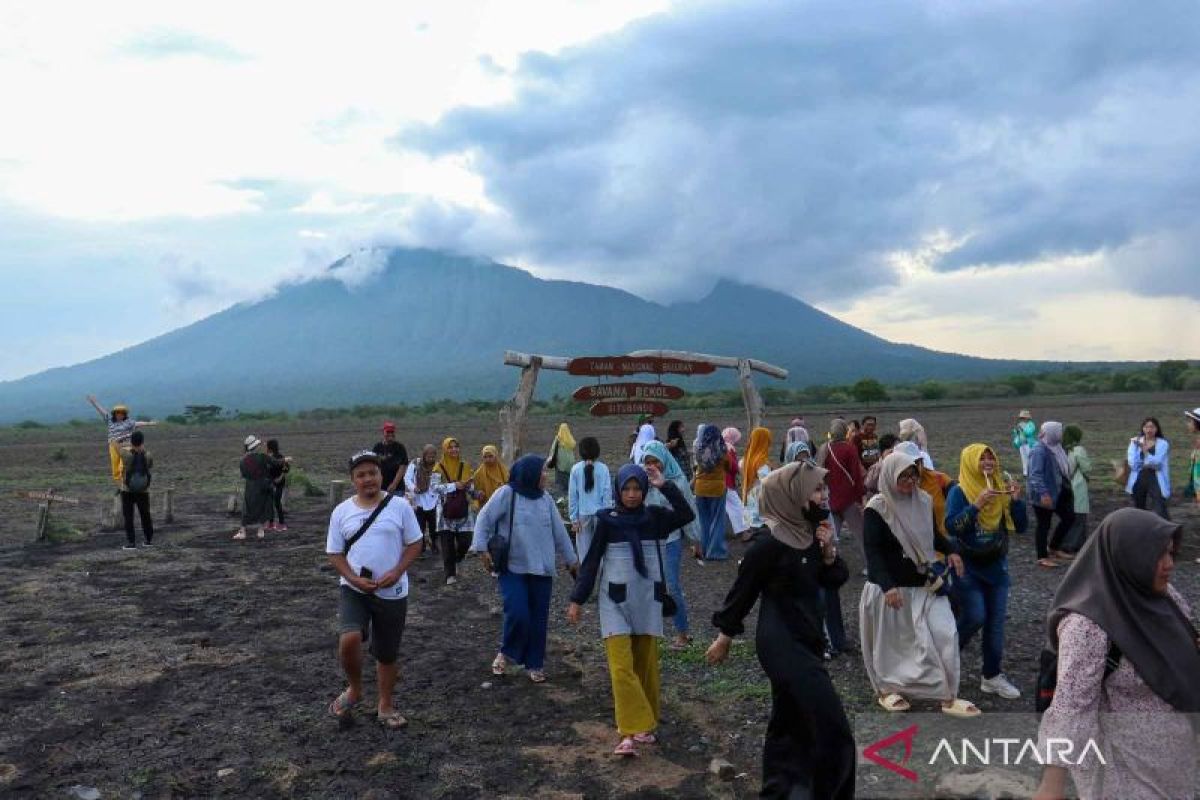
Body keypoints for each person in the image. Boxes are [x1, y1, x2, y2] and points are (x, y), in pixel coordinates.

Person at [708, 461, 854, 799]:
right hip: (781, 644)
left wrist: (830, 553)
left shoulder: (811, 533)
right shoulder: (769, 543)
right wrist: (724, 636)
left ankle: (781, 790)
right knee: (833, 726)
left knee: (788, 723)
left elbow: (834, 580)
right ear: (792, 494)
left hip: (808, 639)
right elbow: (742, 592)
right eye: (816, 489)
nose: (824, 495)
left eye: (823, 488)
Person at [1033, 509, 1200, 800]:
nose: (1169, 565)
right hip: (1124, 773)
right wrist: (1052, 785)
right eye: (1158, 556)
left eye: (1172, 554)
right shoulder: (1088, 623)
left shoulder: (1164, 596)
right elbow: (1071, 705)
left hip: (1174, 770)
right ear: (1128, 555)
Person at [567, 463, 695, 756]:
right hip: (613, 601)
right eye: (627, 489)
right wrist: (577, 599)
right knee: (621, 668)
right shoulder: (607, 522)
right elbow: (591, 563)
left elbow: (687, 515)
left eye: (638, 488)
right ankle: (627, 732)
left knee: (645, 666)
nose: (633, 494)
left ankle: (643, 728)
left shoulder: (656, 518)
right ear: (618, 490)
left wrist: (666, 486)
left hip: (647, 599)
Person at [859, 452, 977, 717]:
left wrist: (950, 551)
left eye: (913, 475)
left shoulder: (922, 501)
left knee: (946, 633)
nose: (910, 482)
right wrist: (887, 586)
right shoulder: (878, 508)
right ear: (890, 477)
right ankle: (888, 691)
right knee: (894, 647)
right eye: (904, 477)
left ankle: (948, 697)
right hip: (892, 589)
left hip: (925, 584)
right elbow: (873, 551)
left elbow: (932, 534)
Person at [326, 450, 424, 730]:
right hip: (354, 589)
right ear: (352, 480)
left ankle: (385, 705)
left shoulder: (400, 507)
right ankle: (355, 689)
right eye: (361, 475)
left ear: (381, 475)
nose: (368, 479)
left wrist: (397, 571)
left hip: (392, 591)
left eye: (373, 473)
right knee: (349, 639)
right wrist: (353, 579)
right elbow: (334, 553)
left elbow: (415, 543)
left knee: (386, 653)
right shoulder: (342, 511)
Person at [473, 455, 578, 683]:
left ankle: (534, 663)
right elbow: (484, 518)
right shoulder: (507, 494)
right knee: (518, 612)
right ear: (529, 473)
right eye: (542, 471)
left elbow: (560, 533)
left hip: (542, 569)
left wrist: (572, 561)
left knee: (539, 619)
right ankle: (507, 651)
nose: (545, 476)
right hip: (512, 567)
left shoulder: (546, 499)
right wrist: (482, 550)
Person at [945, 444, 1027, 701]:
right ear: (970, 462)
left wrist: (1015, 502)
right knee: (976, 616)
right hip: (967, 568)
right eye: (982, 458)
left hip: (996, 567)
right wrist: (977, 504)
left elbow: (1021, 527)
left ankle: (991, 677)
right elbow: (952, 527)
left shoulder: (1001, 489)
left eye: (991, 456)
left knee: (995, 625)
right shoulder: (959, 491)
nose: (988, 461)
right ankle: (944, 664)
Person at [640, 440, 700, 650]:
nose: (652, 465)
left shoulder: (676, 480)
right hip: (646, 542)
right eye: (648, 461)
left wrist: (695, 539)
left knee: (672, 585)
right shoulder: (640, 481)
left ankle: (683, 633)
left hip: (671, 540)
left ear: (664, 459)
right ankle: (649, 634)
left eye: (656, 460)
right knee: (647, 586)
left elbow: (689, 510)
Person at [817, 419, 864, 656]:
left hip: (829, 496)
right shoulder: (848, 448)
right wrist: (860, 495)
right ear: (844, 433)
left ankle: (830, 555)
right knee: (861, 533)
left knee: (830, 534)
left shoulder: (826, 449)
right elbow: (856, 472)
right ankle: (869, 565)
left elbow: (821, 473)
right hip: (846, 496)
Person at [1028, 421, 1076, 568]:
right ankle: (1042, 557)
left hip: (1057, 491)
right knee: (1044, 524)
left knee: (1069, 517)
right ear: (1052, 433)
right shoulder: (1040, 450)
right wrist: (1044, 494)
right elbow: (1035, 475)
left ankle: (1054, 548)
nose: (1061, 435)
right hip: (1044, 493)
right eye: (1059, 432)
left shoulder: (1056, 447)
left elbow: (1062, 469)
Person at [86, 395, 155, 487]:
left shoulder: (128, 422)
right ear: (114, 413)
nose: (120, 414)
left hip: (125, 445)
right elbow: (101, 411)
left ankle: (127, 482)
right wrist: (94, 402)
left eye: (122, 413)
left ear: (124, 414)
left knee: (123, 465)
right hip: (113, 445)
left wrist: (149, 423)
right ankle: (121, 487)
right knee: (115, 469)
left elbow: (138, 423)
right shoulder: (110, 420)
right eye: (118, 412)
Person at [434, 437, 475, 585]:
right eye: (450, 447)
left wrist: (470, 488)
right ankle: (449, 574)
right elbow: (434, 488)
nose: (453, 450)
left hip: (463, 507)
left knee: (466, 540)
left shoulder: (465, 465)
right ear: (445, 449)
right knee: (447, 543)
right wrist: (453, 486)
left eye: (456, 447)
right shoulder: (438, 467)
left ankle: (457, 558)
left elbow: (471, 486)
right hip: (445, 511)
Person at [893, 441, 954, 538]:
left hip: (939, 544)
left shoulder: (939, 479)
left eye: (916, 463)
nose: (912, 470)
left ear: (921, 462)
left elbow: (957, 496)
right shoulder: (889, 487)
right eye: (906, 465)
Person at [568, 436, 612, 561]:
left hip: (582, 516)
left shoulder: (575, 469)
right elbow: (607, 494)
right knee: (602, 551)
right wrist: (607, 516)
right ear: (597, 451)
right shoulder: (603, 469)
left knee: (584, 554)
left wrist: (574, 519)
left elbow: (573, 496)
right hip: (601, 515)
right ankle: (602, 577)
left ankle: (587, 577)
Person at [693, 424, 731, 561]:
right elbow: (729, 466)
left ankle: (703, 548)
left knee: (703, 521)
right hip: (717, 489)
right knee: (717, 521)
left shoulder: (698, 448)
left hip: (700, 489)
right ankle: (715, 551)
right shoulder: (721, 449)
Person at [1125, 417, 1171, 520]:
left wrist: (1145, 450)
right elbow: (1132, 463)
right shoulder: (1135, 442)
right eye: (1146, 427)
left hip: (1155, 477)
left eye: (1152, 427)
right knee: (1138, 506)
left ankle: (1167, 530)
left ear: (1157, 429)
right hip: (1139, 477)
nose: (1149, 430)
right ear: (1143, 428)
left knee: (1159, 505)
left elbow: (1157, 463)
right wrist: (1146, 462)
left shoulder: (1163, 444)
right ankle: (1142, 530)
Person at [118, 430, 154, 550]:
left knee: (129, 516)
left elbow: (115, 443)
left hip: (127, 490)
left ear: (131, 442)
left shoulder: (125, 454)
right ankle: (148, 540)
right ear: (142, 442)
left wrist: (125, 439)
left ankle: (131, 543)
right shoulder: (148, 454)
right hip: (143, 490)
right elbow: (150, 466)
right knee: (145, 515)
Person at [235, 435, 274, 540]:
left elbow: (244, 475)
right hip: (263, 485)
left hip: (250, 486)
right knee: (264, 505)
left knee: (247, 507)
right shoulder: (262, 457)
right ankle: (261, 530)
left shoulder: (243, 460)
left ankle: (242, 532)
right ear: (256, 446)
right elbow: (273, 463)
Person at [404, 444, 440, 556]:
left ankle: (434, 544)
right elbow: (407, 478)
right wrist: (414, 488)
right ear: (424, 455)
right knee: (420, 527)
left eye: (433, 456)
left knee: (434, 527)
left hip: (433, 501)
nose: (431, 459)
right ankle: (421, 546)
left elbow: (438, 483)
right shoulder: (415, 464)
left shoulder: (437, 467)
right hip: (419, 501)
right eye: (429, 456)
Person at [1062, 425, 1092, 551]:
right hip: (1078, 484)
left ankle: (1069, 542)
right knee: (1080, 516)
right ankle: (1074, 544)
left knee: (1070, 515)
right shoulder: (1078, 449)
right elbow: (1087, 468)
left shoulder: (1063, 449)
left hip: (1066, 485)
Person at [721, 427, 749, 540]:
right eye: (736, 438)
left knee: (726, 507)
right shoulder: (729, 448)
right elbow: (732, 466)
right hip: (726, 482)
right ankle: (744, 532)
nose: (737, 441)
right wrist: (739, 469)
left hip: (718, 482)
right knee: (737, 506)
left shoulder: (719, 446)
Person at [374, 422, 409, 494]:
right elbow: (374, 466)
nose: (390, 434)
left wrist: (394, 484)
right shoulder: (377, 447)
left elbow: (403, 467)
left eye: (392, 432)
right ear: (383, 432)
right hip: (381, 487)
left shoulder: (400, 448)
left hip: (397, 488)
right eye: (388, 432)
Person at [265, 439, 291, 532]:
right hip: (271, 483)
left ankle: (282, 523)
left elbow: (286, 468)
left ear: (270, 448)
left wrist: (281, 476)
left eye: (267, 446)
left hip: (279, 482)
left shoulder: (280, 457)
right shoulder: (267, 458)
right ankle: (271, 523)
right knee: (269, 503)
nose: (266, 448)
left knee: (277, 502)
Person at [864, 433, 899, 500]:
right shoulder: (876, 468)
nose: (895, 455)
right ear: (882, 452)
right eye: (891, 452)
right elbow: (868, 489)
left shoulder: (900, 467)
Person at [547, 423, 577, 494]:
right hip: (570, 462)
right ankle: (569, 492)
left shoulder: (558, 439)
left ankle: (561, 494)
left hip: (560, 462)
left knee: (560, 479)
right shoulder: (570, 439)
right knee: (569, 477)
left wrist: (550, 459)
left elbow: (553, 450)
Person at [1011, 410, 1038, 476]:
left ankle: (1032, 472)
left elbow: (1029, 433)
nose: (1022, 419)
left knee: (1030, 458)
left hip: (1029, 444)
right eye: (1021, 418)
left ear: (1027, 418)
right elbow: (1015, 433)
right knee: (1023, 458)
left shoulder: (1031, 424)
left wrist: (1023, 428)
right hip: (1021, 444)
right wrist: (1016, 430)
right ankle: (1025, 473)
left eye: (1023, 417)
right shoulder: (1020, 424)